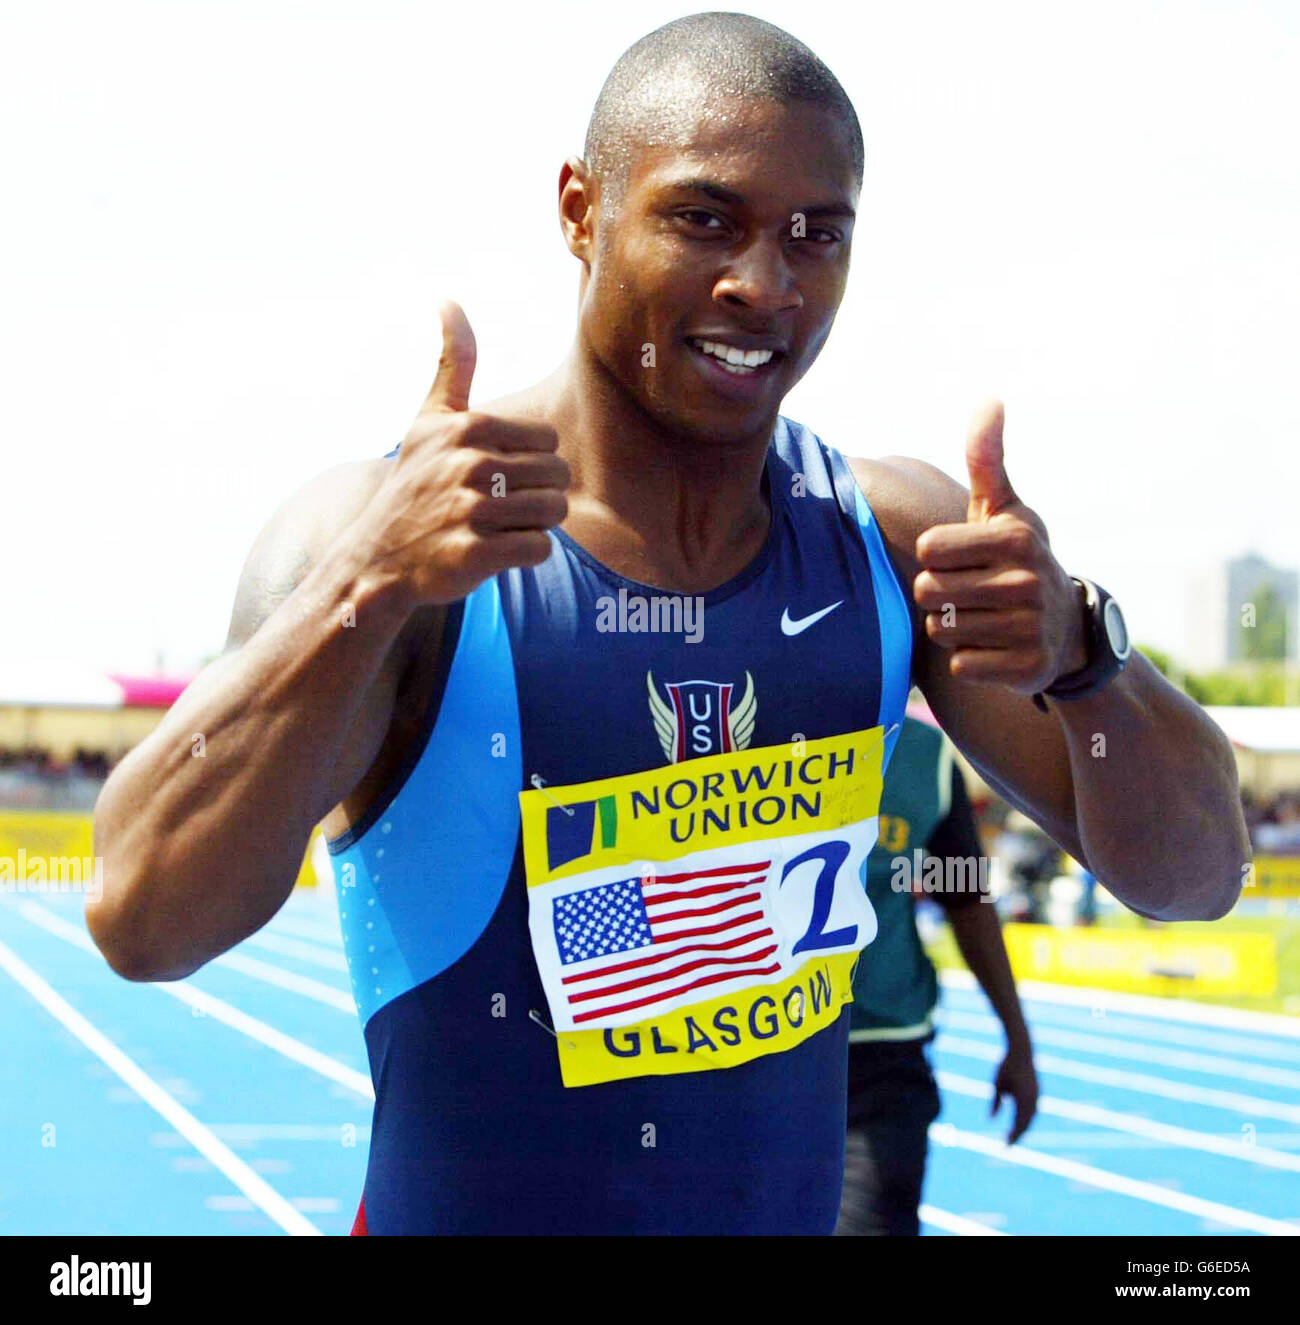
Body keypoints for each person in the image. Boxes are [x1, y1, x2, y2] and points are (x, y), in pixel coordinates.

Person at [88, 14, 1249, 1235]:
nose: (766, 282)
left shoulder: (890, 540)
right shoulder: (392, 545)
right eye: (705, 219)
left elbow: (1197, 875)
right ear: (581, 212)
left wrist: (1087, 661)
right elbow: (143, 917)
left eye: (819, 233)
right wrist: (358, 592)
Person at [837, 712, 1037, 1236]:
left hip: (881, 1052)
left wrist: (1018, 1039)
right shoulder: (740, 729)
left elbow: (967, 898)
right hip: (748, 1051)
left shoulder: (927, 754)